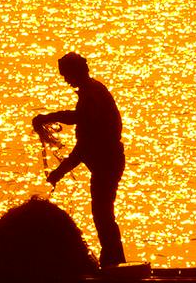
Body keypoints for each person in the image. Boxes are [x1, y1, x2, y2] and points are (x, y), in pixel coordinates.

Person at [32, 50, 127, 270]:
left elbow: (83, 147)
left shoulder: (92, 94)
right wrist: (50, 117)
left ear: (75, 72)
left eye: (66, 75)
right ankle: (114, 260)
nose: (66, 80)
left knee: (102, 213)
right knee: (103, 213)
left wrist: (59, 172)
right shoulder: (92, 91)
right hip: (107, 161)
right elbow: (78, 118)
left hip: (107, 163)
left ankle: (114, 262)